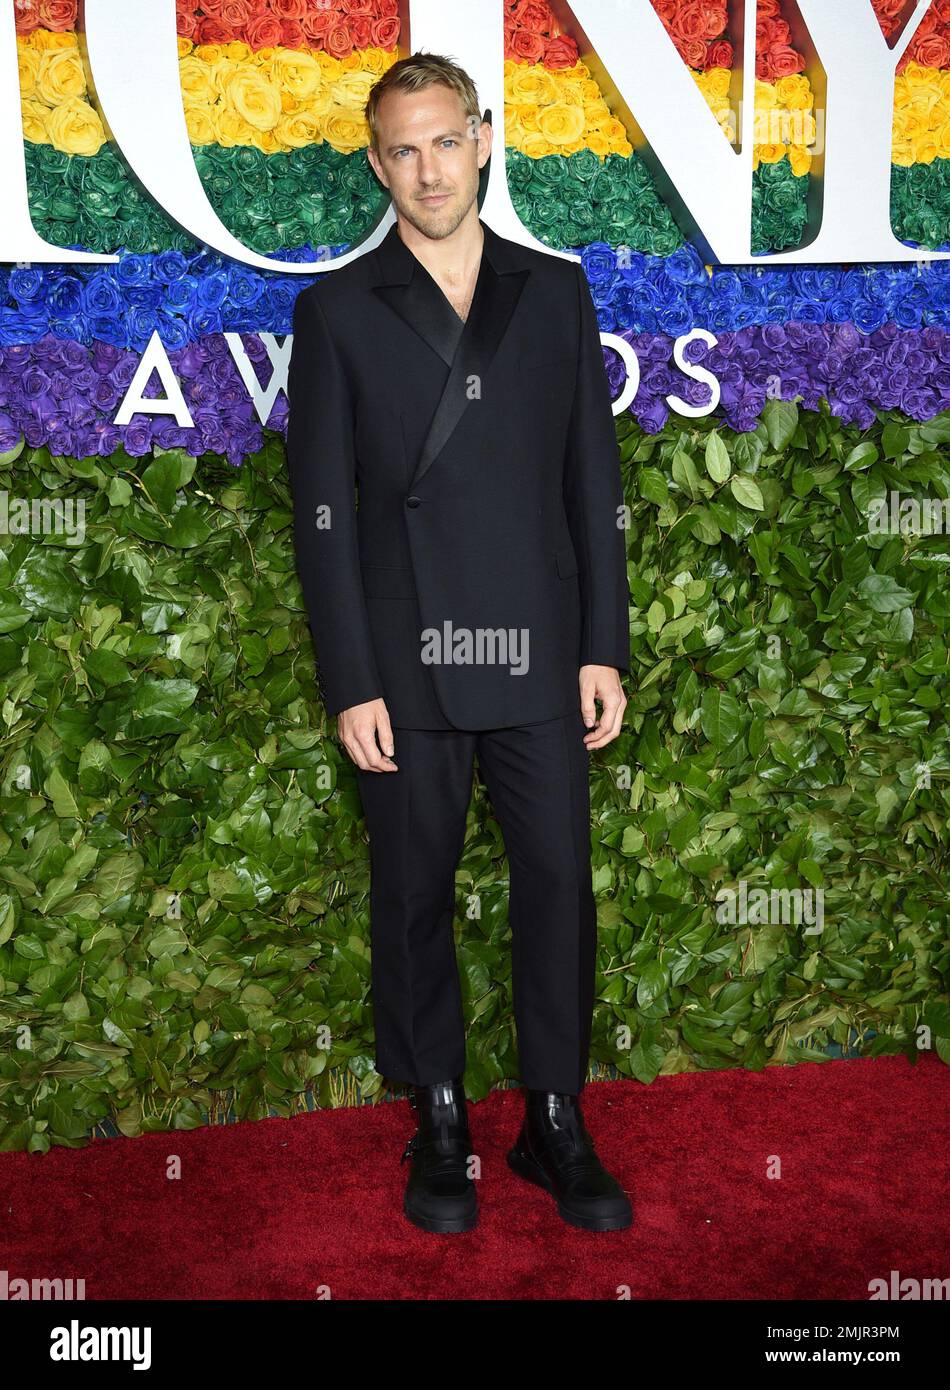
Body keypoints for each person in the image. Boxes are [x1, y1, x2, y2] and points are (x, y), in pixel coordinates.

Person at [287, 52, 632, 1234]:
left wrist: (601, 645)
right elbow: (322, 513)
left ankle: (553, 1119)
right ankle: (437, 1116)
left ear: (482, 140)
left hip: (538, 645)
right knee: (412, 891)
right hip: (405, 661)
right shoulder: (336, 310)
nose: (429, 171)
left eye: (446, 141)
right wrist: (351, 678)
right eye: (403, 149)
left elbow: (590, 482)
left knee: (557, 888)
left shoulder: (555, 292)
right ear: (375, 163)